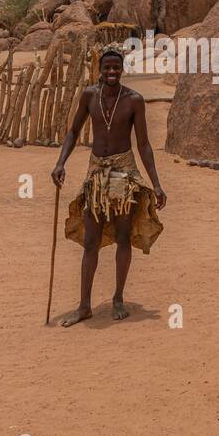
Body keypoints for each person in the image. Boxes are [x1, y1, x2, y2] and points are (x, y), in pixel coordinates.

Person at [52, 45, 166, 326]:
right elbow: (73, 131)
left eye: (116, 67)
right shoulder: (90, 95)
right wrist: (60, 163)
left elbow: (144, 144)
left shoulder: (134, 100)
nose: (112, 72)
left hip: (122, 173)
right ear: (100, 70)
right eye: (107, 68)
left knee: (123, 236)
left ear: (122, 70)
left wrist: (157, 184)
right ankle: (84, 306)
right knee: (91, 240)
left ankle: (117, 298)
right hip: (96, 172)